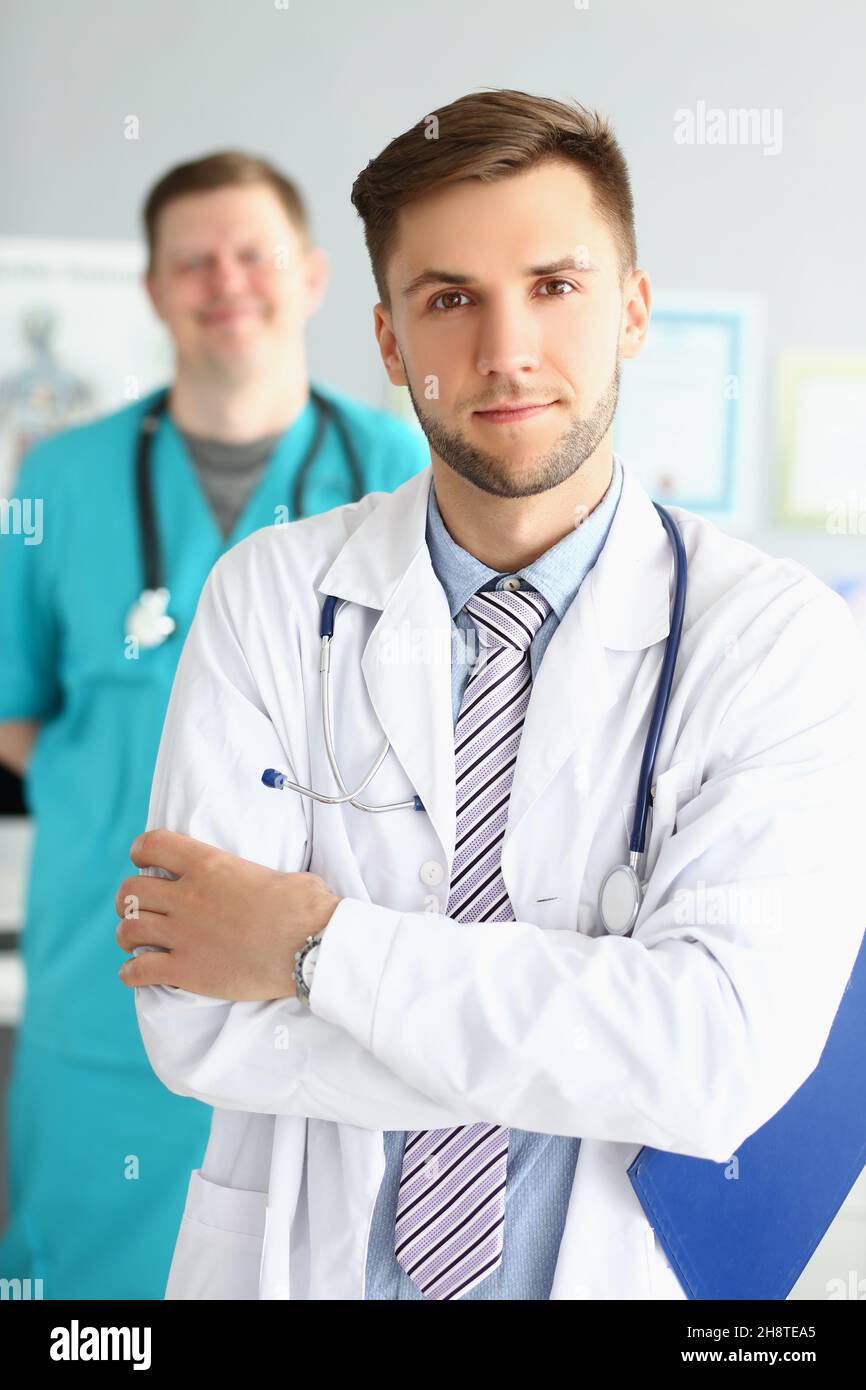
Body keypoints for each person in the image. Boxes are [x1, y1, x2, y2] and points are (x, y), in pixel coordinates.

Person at [116, 91, 866, 1301]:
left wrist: (313, 949)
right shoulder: (267, 596)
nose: (504, 349)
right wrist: (591, 1038)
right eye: (448, 299)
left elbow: (718, 1060)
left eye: (555, 286)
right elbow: (196, 1022)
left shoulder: (773, 640)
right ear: (388, 338)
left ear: (630, 307)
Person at [0, 149, 428, 1300]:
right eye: (192, 259)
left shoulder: (404, 472)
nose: (224, 280)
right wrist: (126, 793)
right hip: (102, 987)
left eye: (254, 254)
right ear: (153, 289)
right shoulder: (62, 480)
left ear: (314, 276)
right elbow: (13, 707)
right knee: (87, 1303)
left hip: (319, 997)